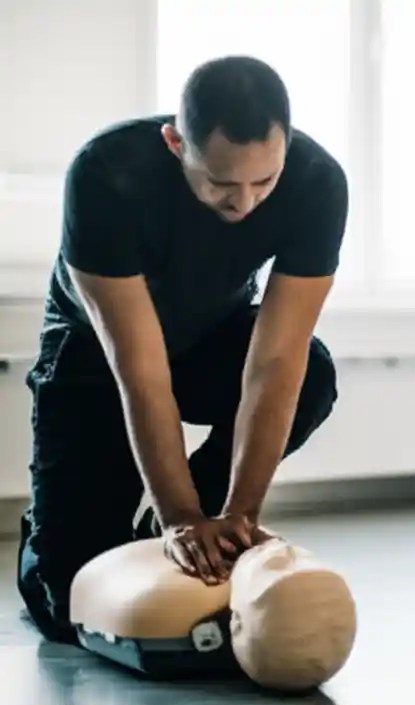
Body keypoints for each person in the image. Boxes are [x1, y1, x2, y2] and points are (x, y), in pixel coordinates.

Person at [18, 55, 346, 644]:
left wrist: (239, 518)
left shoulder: (318, 182)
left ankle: (195, 525)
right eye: (221, 184)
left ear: (286, 148)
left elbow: (275, 364)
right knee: (67, 604)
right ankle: (66, 529)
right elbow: (140, 374)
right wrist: (179, 516)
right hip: (94, 353)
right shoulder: (106, 175)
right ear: (175, 143)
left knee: (314, 374)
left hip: (206, 334)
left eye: (263, 182)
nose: (244, 204)